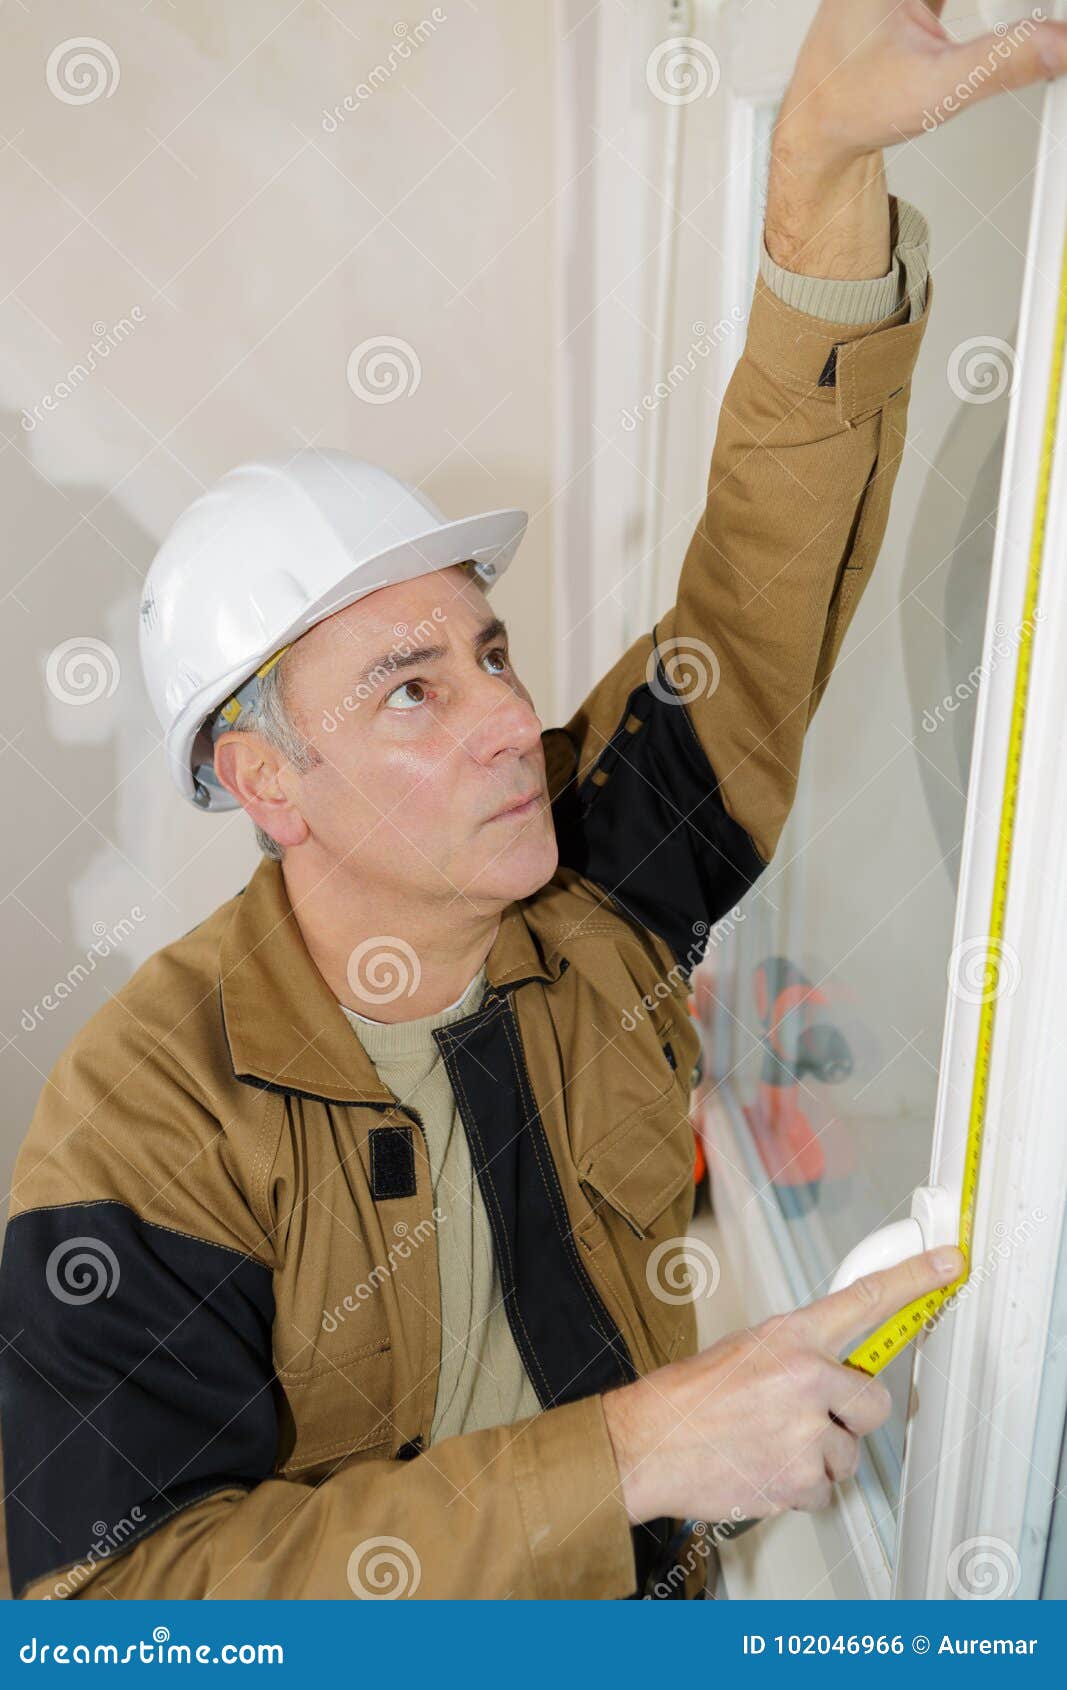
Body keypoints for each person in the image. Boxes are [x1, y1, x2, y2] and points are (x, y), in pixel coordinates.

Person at [1, 1, 1062, 1601]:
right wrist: (638, 1451)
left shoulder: (586, 889)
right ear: (264, 779)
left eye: (489, 649)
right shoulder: (152, 1119)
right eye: (410, 686)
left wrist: (820, 174)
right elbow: (109, 1608)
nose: (511, 715)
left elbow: (754, 606)